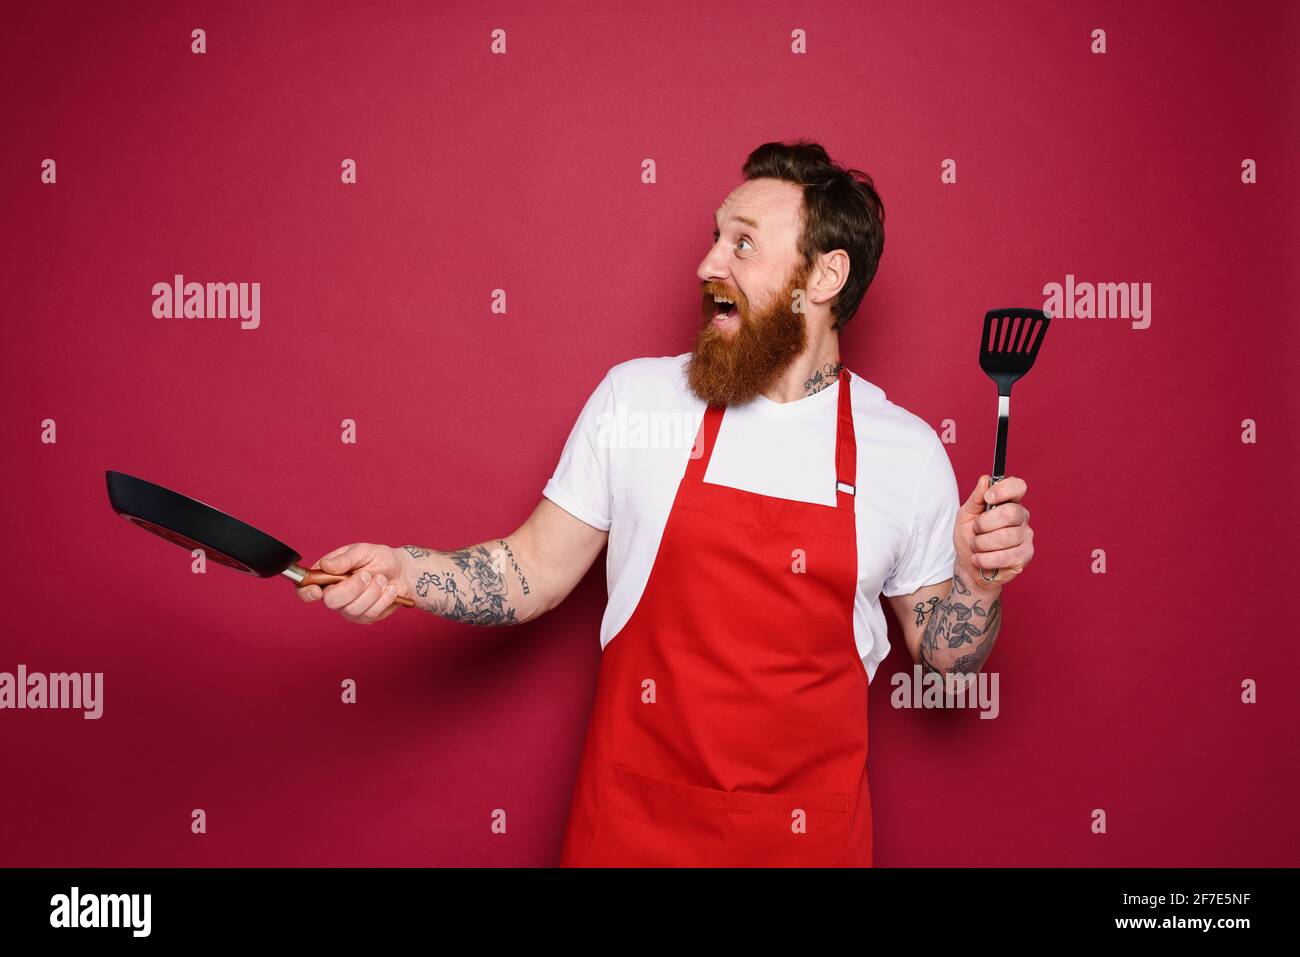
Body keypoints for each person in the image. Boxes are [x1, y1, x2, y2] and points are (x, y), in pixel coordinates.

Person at [298, 140, 1035, 867]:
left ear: (824, 275)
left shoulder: (904, 453)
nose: (709, 263)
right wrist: (403, 574)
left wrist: (977, 582)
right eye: (716, 237)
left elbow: (945, 659)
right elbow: (533, 569)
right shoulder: (640, 400)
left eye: (742, 244)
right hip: (632, 833)